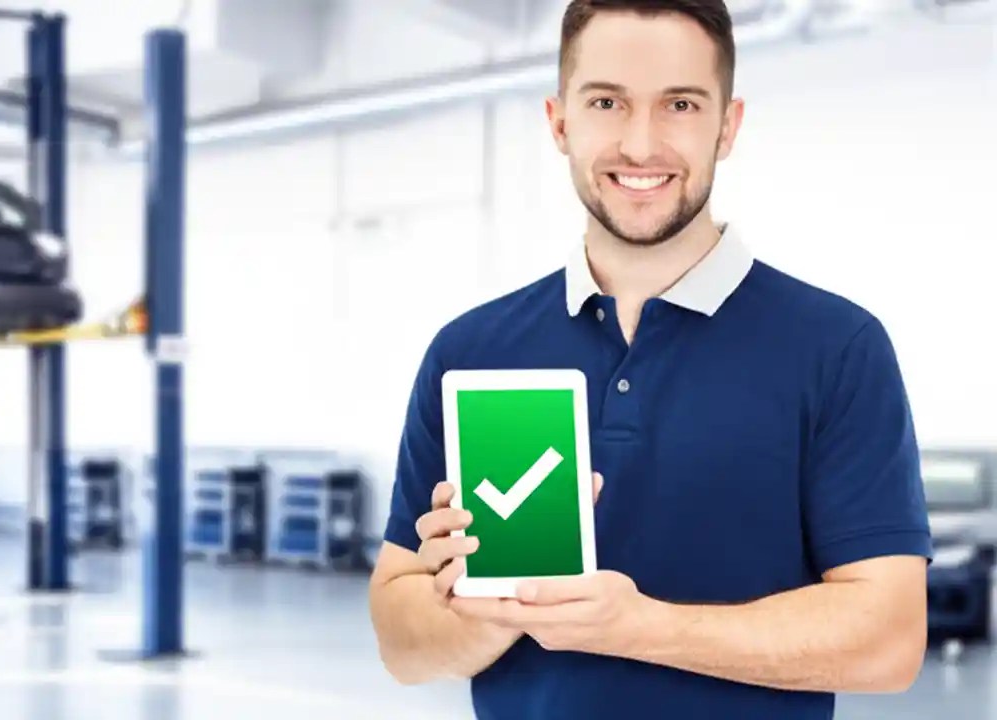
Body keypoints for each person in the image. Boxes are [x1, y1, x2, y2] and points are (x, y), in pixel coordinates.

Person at [366, 1, 933, 718]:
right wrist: (490, 609)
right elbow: (400, 644)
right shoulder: (472, 351)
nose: (640, 144)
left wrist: (641, 628)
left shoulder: (837, 348)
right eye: (607, 101)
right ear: (559, 121)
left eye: (680, 104)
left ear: (727, 126)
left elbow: (887, 640)